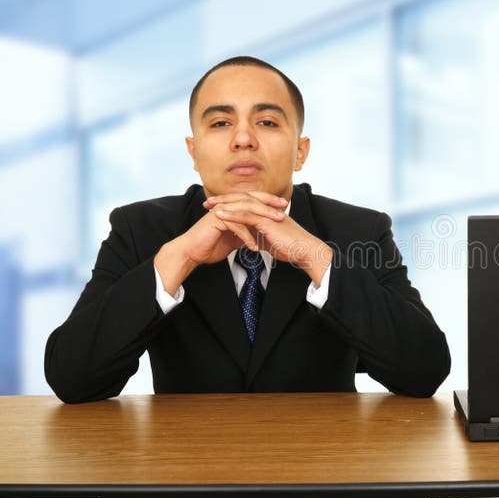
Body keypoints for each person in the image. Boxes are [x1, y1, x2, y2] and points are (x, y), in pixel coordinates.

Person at [45, 56, 450, 404]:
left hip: (329, 478)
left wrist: (314, 256)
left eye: (268, 122)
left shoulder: (358, 229)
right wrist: (179, 257)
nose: (243, 139)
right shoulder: (141, 229)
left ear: (300, 151)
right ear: (193, 151)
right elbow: (72, 377)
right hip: (182, 480)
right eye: (221, 122)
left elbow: (424, 370)